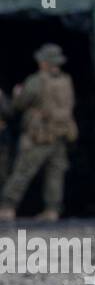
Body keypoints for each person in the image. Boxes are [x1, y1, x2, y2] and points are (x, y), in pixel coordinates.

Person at [0, 43, 78, 223]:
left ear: (44, 62)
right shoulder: (66, 81)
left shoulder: (37, 81)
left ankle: (7, 207)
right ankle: (52, 210)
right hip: (61, 134)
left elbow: (19, 105)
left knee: (23, 171)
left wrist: (16, 95)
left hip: (39, 135)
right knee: (55, 173)